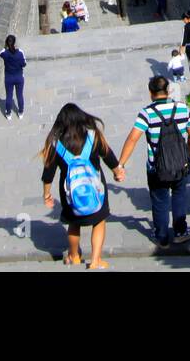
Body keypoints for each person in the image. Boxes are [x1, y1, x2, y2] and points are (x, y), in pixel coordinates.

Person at [117, 76, 190, 247]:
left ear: (150, 93)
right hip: (180, 163)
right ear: (168, 91)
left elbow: (132, 139)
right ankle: (180, 231)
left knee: (159, 200)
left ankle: (161, 236)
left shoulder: (146, 113)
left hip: (156, 167)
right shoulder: (183, 109)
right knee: (179, 196)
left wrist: (121, 164)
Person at [40, 103, 122, 269]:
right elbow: (108, 155)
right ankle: (95, 260)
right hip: (96, 189)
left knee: (74, 223)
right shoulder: (93, 136)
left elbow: (48, 173)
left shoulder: (56, 144)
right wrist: (117, 171)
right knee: (99, 221)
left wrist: (46, 194)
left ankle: (74, 256)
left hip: (70, 193)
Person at [0, 35, 26, 120]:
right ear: (14, 43)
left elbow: (1, 52)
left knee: (9, 96)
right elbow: (24, 64)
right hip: (19, 77)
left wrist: (6, 46)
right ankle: (20, 112)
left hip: (9, 78)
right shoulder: (20, 52)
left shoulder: (4, 53)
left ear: (7, 43)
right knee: (20, 95)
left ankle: (8, 114)